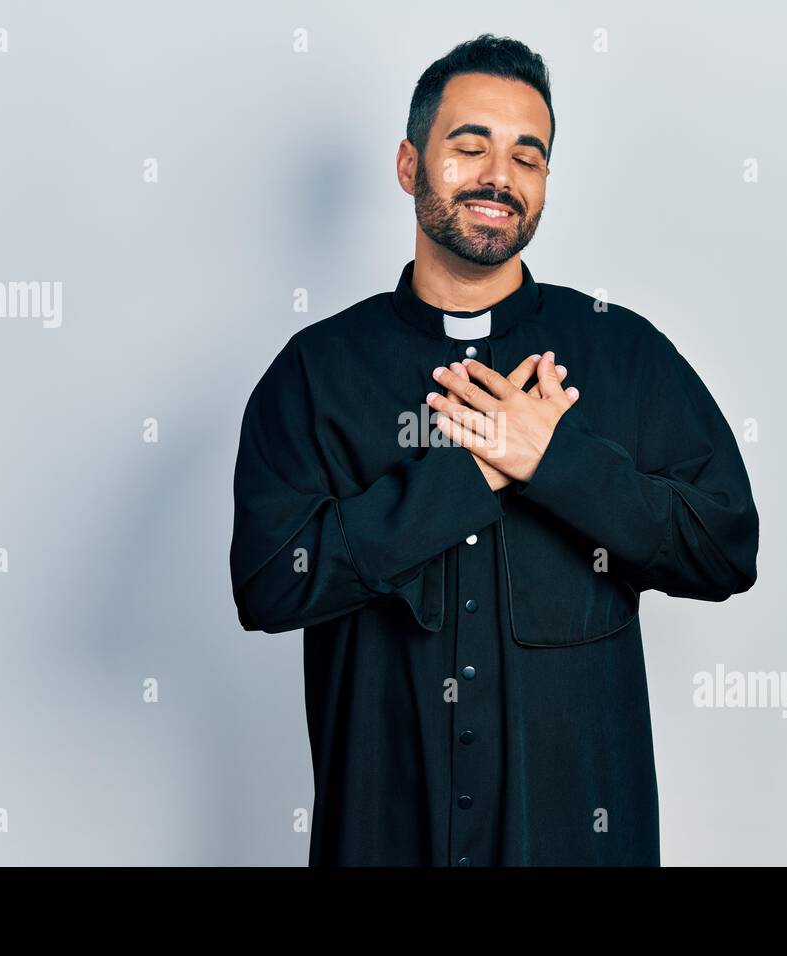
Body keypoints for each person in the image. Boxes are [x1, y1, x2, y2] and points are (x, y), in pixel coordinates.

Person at [229, 33, 759, 866]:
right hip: (383, 839)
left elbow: (725, 550)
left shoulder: (624, 355)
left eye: (527, 156)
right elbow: (267, 585)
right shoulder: (316, 373)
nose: (498, 177)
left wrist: (558, 462)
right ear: (410, 165)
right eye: (469, 145)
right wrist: (465, 473)